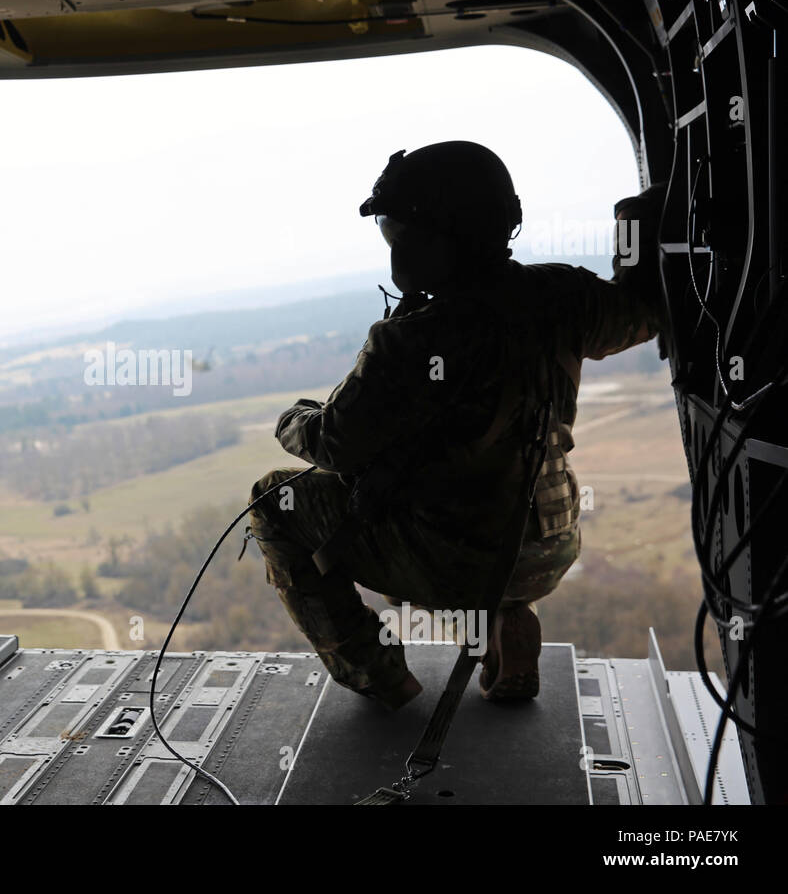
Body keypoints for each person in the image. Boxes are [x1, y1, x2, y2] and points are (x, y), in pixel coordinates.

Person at [248, 141, 666, 709]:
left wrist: (291, 420)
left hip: (456, 561)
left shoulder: (412, 338)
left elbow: (333, 444)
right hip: (547, 549)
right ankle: (504, 619)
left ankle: (377, 673)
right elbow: (642, 310)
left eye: (399, 233)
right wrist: (635, 222)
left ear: (438, 236)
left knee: (274, 500)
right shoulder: (560, 297)